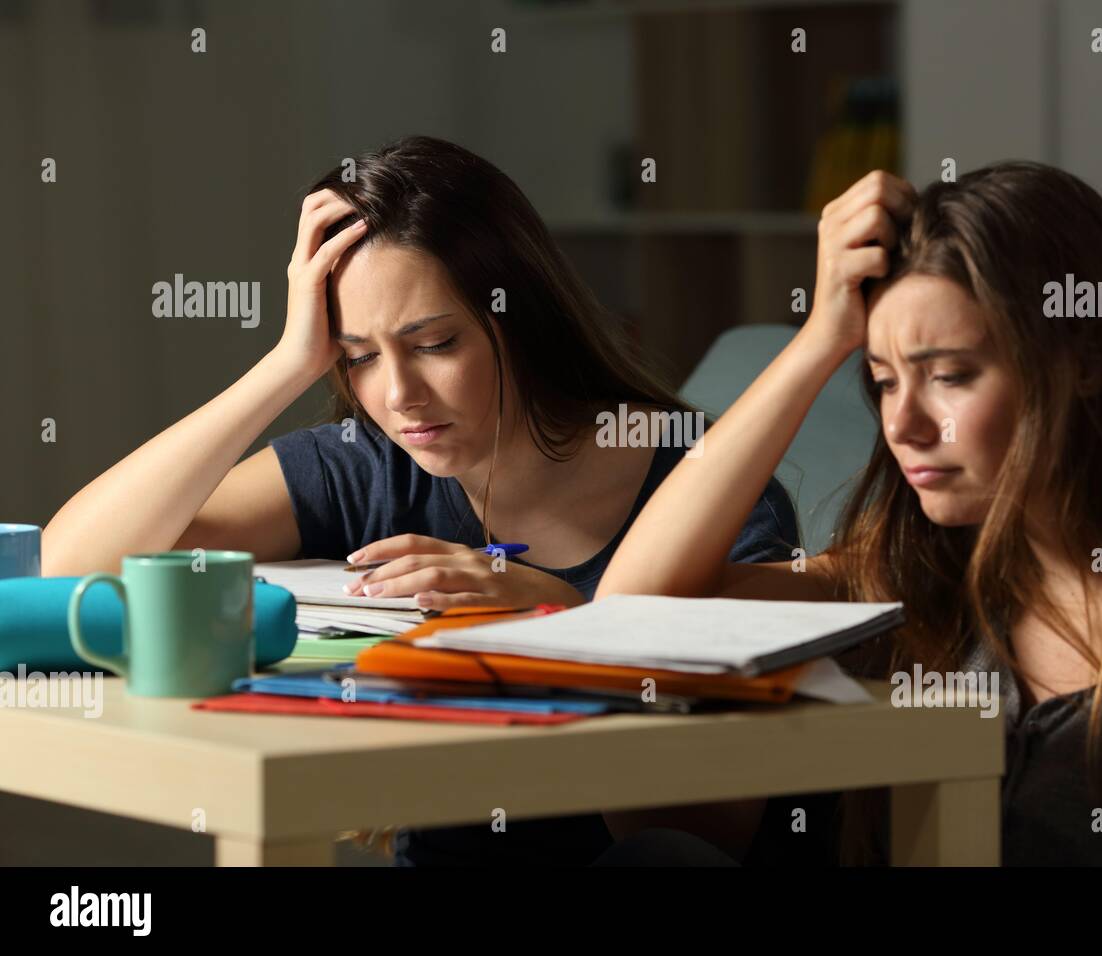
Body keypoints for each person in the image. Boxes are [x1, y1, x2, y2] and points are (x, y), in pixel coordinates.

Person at [42, 135, 800, 866]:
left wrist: (568, 627)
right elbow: (72, 565)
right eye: (360, 357)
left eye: (435, 344)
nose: (399, 397)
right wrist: (288, 362)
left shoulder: (705, 483)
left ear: (522, 319)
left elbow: (700, 825)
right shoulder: (370, 465)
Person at [596, 162, 1102, 865]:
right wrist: (819, 339)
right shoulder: (912, 576)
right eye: (882, 381)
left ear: (1084, 361)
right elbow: (636, 615)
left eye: (950, 376)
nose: (902, 424)